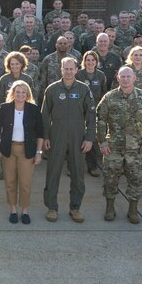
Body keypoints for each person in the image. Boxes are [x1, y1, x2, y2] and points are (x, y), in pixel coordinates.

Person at [95, 66, 142, 223]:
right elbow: (100, 120)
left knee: (135, 180)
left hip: (135, 148)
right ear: (117, 78)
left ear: (134, 78)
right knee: (110, 180)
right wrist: (102, 142)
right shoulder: (109, 97)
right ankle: (110, 208)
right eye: (122, 77)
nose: (125, 79)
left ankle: (133, 210)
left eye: (128, 77)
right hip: (113, 148)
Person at [40, 55, 97, 223]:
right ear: (61, 70)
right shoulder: (52, 89)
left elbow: (91, 115)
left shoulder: (84, 89)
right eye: (66, 69)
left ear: (76, 70)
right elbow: (44, 115)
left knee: (78, 173)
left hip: (77, 135)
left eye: (72, 69)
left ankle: (75, 207)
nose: (69, 72)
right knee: (53, 172)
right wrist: (46, 136)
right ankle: (51, 207)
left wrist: (89, 138)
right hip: (57, 134)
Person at [0, 79, 44, 224]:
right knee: (10, 182)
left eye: (24, 92)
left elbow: (40, 133)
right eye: (18, 92)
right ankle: (12, 209)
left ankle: (24, 211)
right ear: (13, 93)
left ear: (28, 94)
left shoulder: (34, 109)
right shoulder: (4, 108)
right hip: (8, 150)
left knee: (25, 183)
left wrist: (38, 153)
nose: (20, 94)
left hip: (27, 151)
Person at [74, 51, 107, 177]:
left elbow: (104, 93)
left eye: (93, 60)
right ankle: (73, 167)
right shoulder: (78, 75)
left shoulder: (101, 75)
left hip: (95, 111)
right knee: (76, 139)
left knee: (91, 139)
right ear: (84, 61)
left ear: (96, 62)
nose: (90, 62)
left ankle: (92, 166)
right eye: (88, 60)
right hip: (80, 110)